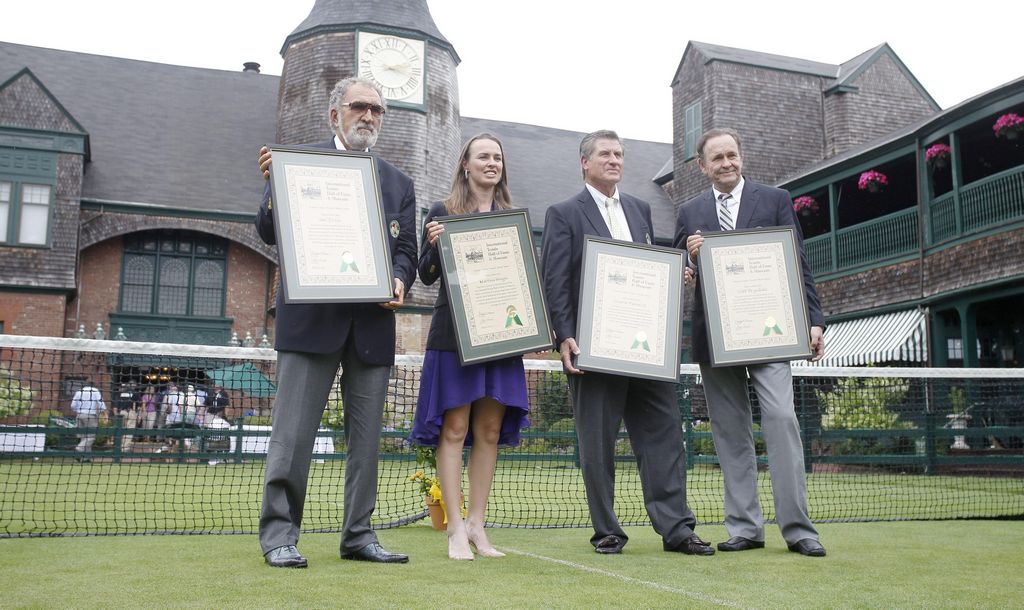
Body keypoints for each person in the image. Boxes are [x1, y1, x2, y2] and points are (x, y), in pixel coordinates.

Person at [254, 76, 417, 568]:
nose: (369, 115)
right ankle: (279, 536)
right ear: (335, 115)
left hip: (372, 327)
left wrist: (399, 279)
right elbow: (265, 231)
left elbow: (406, 250)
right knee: (293, 435)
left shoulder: (398, 182)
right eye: (359, 107)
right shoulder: (295, 165)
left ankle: (359, 536)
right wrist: (271, 187)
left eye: (377, 109)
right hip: (310, 323)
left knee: (366, 441)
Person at [540, 130, 713, 557]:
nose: (614, 160)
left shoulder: (639, 210)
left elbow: (649, 271)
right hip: (592, 348)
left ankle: (677, 529)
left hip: (646, 348)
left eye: (619, 154)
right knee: (596, 443)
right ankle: (608, 532)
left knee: (665, 437)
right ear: (585, 162)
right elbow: (555, 281)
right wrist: (564, 336)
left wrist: (677, 277)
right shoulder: (564, 213)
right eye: (604, 154)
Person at [673, 128, 827, 557]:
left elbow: (799, 261)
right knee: (730, 433)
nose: (726, 163)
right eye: (717, 158)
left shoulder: (776, 200)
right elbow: (677, 270)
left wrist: (814, 319)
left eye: (732, 155)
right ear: (702, 166)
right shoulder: (689, 211)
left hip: (771, 334)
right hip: (714, 340)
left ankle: (799, 530)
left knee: (781, 419)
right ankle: (745, 527)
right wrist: (688, 258)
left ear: (741, 158)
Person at [409, 133, 530, 561]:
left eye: (498, 157)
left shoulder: (512, 218)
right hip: (453, 335)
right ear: (466, 164)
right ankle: (455, 528)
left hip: (502, 334)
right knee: (455, 428)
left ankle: (478, 525)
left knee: (489, 431)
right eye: (483, 156)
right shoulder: (443, 212)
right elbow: (424, 275)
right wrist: (436, 243)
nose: (491, 163)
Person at [71, 382, 106, 461]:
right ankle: (79, 449)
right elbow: (100, 403)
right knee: (91, 436)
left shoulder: (79, 392)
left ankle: (86, 458)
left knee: (84, 437)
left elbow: (72, 405)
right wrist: (104, 413)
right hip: (90, 416)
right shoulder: (95, 391)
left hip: (79, 415)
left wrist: (79, 411)